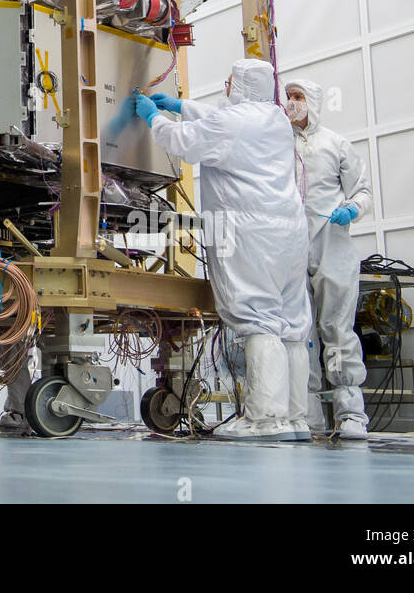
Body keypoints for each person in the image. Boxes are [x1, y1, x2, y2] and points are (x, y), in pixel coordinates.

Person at [132, 59, 311, 440]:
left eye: (231, 81)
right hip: (290, 233)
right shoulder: (277, 119)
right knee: (292, 323)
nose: (226, 86)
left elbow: (184, 142)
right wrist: (181, 106)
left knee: (257, 318)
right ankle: (295, 418)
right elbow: (225, 120)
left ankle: (264, 419)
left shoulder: (229, 124)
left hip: (249, 232)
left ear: (243, 86)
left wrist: (154, 118)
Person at [284, 78, 374, 441]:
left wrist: (352, 209)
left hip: (331, 240)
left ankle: (350, 412)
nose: (292, 103)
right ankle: (310, 413)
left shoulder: (336, 144)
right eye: (288, 97)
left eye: (299, 97)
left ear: (314, 102)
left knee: (336, 328)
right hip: (292, 243)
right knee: (302, 333)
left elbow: (363, 190)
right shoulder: (279, 143)